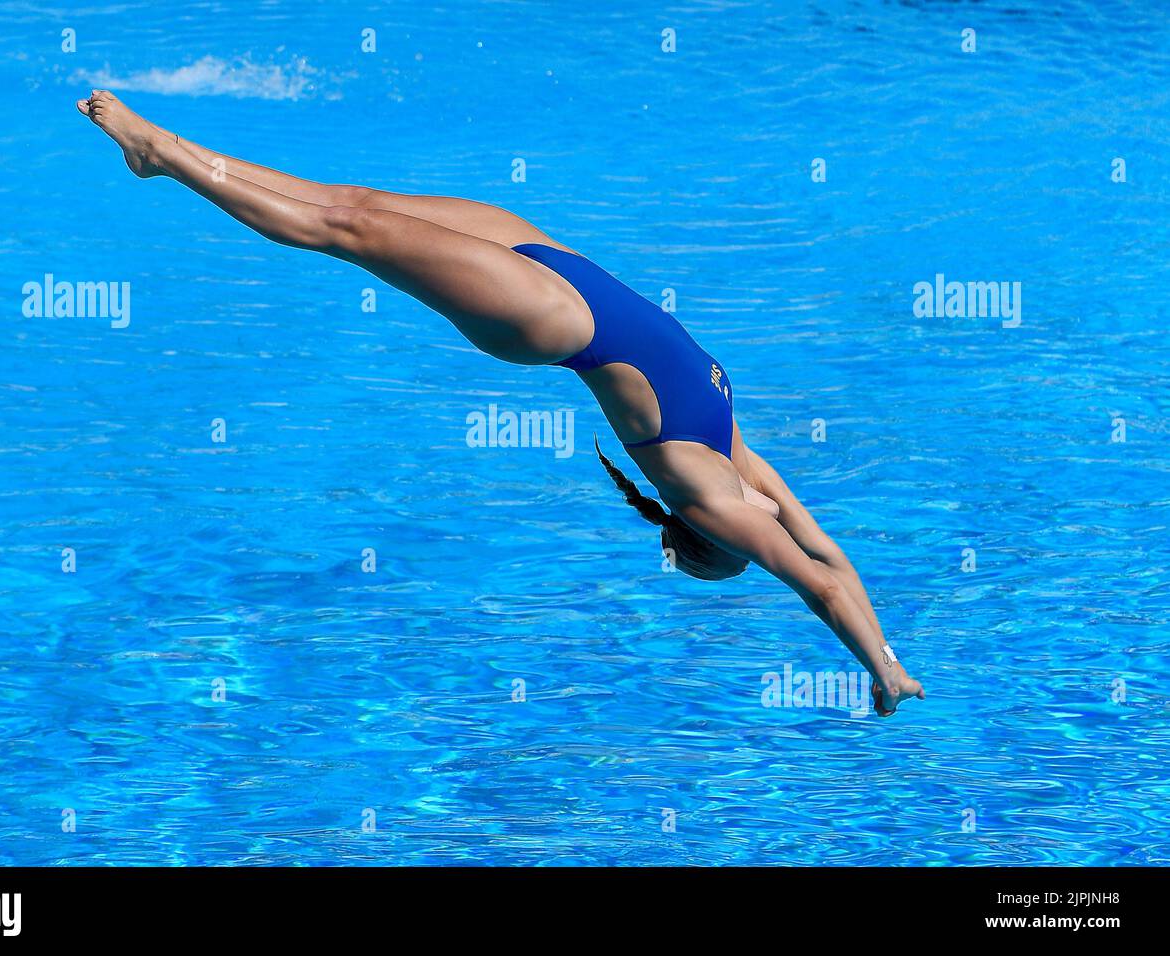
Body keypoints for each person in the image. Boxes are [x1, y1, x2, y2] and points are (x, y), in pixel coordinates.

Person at [77, 90, 925, 716]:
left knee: (345, 232)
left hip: (550, 315)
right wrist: (887, 646)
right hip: (554, 257)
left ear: (714, 536)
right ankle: (172, 149)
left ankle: (165, 155)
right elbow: (834, 559)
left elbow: (813, 584)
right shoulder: (738, 456)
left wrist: (874, 671)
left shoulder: (707, 492)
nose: (770, 524)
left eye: (746, 542)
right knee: (358, 202)